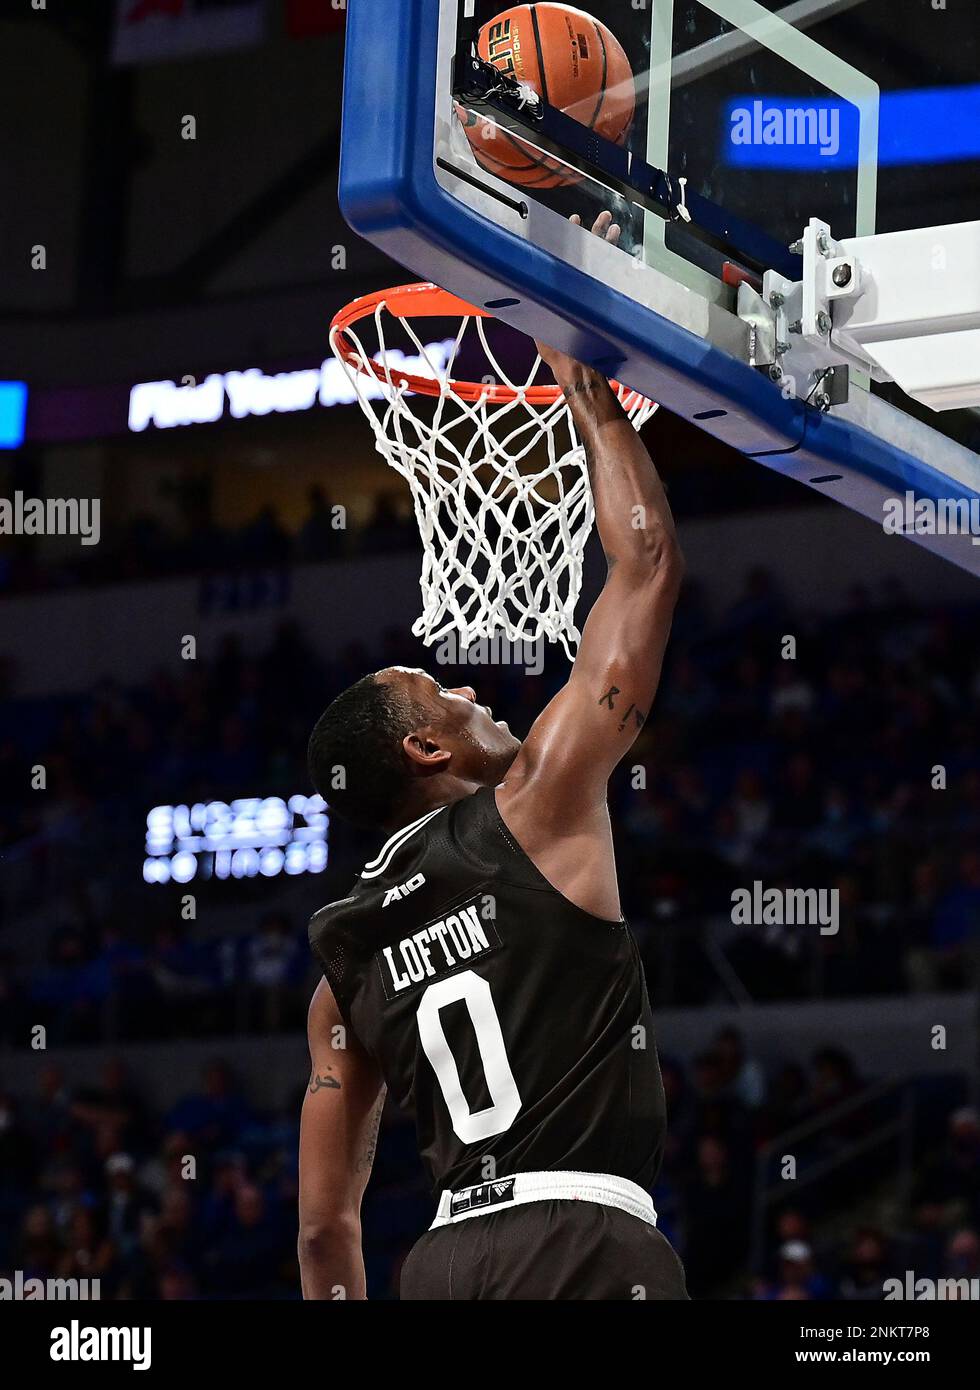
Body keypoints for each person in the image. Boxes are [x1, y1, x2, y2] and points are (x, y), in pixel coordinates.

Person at [298, 216, 688, 1300]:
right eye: (444, 695)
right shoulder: (535, 801)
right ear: (424, 748)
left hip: (438, 1265)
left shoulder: (339, 963)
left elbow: (325, 1234)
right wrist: (584, 381)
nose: (471, 688)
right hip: (583, 1242)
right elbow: (645, 564)